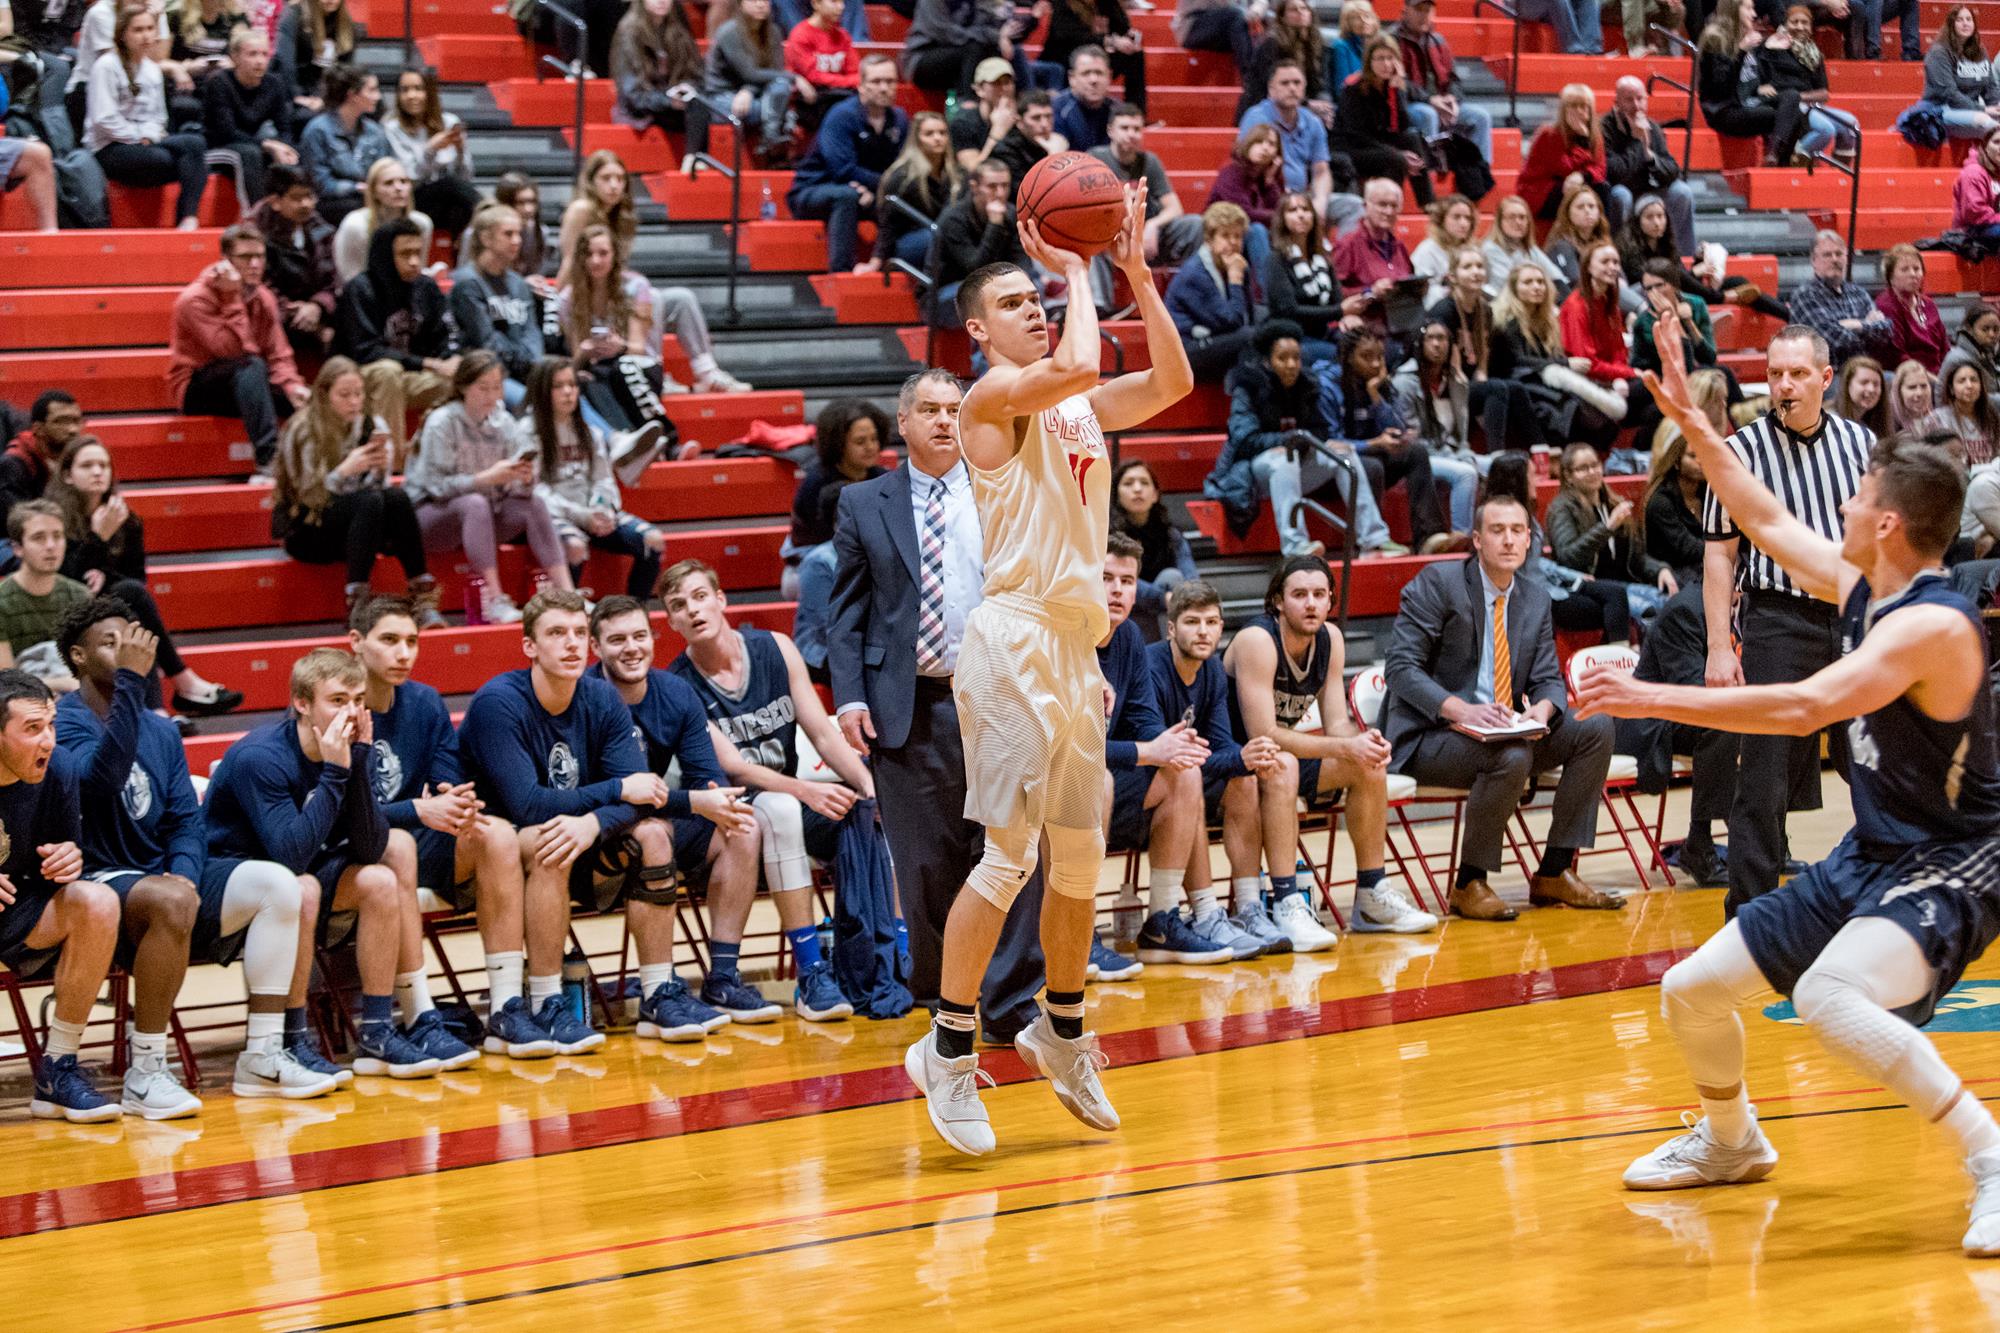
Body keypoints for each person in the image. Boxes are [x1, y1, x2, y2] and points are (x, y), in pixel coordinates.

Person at [1581, 310, 2000, 1259]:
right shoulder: (1870, 587)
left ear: (1886, 520)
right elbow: (1762, 515)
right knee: (1691, 990)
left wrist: (1648, 690)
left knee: (1831, 994)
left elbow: (1803, 706)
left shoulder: (1930, 625)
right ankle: (1732, 1142)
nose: (1839, 507)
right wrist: (1693, 420)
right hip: (1877, 849)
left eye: (1855, 496)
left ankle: (1991, 1157)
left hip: (1956, 856)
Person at [904, 188, 1191, 1156]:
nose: (1034, 307)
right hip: (1013, 634)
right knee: (1008, 854)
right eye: (1016, 301)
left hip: (1073, 643)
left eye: (1040, 295)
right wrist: (1078, 268)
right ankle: (945, 1051)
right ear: (980, 331)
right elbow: (1075, 356)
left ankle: (1057, 1029)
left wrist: (1138, 277)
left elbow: (1172, 382)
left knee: (1078, 857)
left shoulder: (1072, 407)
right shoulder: (991, 398)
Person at [827, 368, 1053, 1034]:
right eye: (929, 409)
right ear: (903, 421)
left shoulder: (1004, 490)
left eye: (955, 409)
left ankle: (1012, 1004)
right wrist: (847, 699)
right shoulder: (862, 502)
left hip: (999, 696)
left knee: (1011, 853)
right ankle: (942, 1004)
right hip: (908, 704)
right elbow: (845, 615)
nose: (944, 421)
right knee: (926, 865)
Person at [54, 599, 333, 1103]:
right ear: (77, 656)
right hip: (95, 876)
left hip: (161, 878)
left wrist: (184, 871)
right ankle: (147, 1070)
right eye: (109, 644)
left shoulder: (161, 730)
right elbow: (101, 780)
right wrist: (134, 688)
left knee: (280, 885)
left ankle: (263, 1056)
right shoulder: (64, 722)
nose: (125, 653)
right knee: (169, 899)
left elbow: (186, 818)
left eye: (131, 642)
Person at [458, 589, 709, 1046]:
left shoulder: (601, 697)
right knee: (553, 837)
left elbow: (642, 794)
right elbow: (527, 805)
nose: (572, 644)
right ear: (529, 646)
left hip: (580, 834)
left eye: (578, 633)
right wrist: (611, 793)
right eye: (556, 633)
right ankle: (547, 1002)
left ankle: (657, 994)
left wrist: (593, 822)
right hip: (499, 848)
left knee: (653, 834)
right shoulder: (499, 701)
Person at [207, 648, 469, 1079]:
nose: (352, 712)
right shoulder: (261, 757)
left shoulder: (347, 751)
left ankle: (378, 1032)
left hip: (299, 872)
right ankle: (292, 1039)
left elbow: (368, 847)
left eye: (358, 700)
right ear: (302, 704)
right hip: (232, 880)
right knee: (302, 888)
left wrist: (357, 762)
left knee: (380, 880)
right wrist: (335, 772)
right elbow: (288, 857)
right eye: (338, 700)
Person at [349, 594, 580, 1056]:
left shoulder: (425, 702)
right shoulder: (337, 703)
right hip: (355, 849)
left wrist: (456, 798)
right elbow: (336, 810)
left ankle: (507, 1006)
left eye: (412, 641)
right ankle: (418, 1014)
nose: (403, 653)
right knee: (399, 844)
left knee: (494, 832)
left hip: (425, 841)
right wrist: (418, 810)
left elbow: (446, 777)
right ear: (356, 643)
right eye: (389, 641)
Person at [1382, 486, 1622, 922]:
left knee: (1595, 727)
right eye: (1497, 531)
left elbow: (1549, 678)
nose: (1509, 540)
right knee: (1511, 755)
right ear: (1477, 540)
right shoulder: (1439, 583)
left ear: (1531, 540)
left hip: (1506, 733)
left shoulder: (1534, 597)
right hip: (1431, 736)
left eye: (1518, 531)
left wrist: (1543, 710)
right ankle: (1469, 882)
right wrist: (1460, 709)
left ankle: (1554, 870)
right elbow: (1401, 668)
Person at [1700, 324, 1872, 916]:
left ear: (1825, 379)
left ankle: (1893, 885)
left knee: (1873, 762)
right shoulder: (1739, 452)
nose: (1784, 385)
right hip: (1776, 619)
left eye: (1798, 373)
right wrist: (1721, 647)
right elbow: (1720, 553)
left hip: (1852, 620)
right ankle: (1749, 914)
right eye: (1775, 374)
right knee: (1764, 780)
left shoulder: (1861, 444)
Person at [661, 560, 871, 1022]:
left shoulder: (776, 647)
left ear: (721, 600)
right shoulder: (678, 684)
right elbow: (734, 768)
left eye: (700, 596)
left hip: (792, 800)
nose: (693, 610)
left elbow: (821, 730)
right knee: (778, 807)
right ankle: (811, 973)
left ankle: (883, 957)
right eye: (679, 605)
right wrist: (805, 791)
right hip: (730, 813)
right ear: (672, 622)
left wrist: (868, 785)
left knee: (869, 816)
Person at [584, 596, 781, 1023]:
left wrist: (710, 801)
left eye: (639, 636)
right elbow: (622, 794)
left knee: (741, 823)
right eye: (616, 640)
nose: (631, 648)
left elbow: (708, 780)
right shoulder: (586, 695)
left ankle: (723, 978)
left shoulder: (674, 691)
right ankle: (659, 985)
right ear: (595, 648)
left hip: (655, 816)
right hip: (599, 825)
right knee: (654, 833)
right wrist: (693, 802)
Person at [1226, 554, 1437, 936]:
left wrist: (1361, 742)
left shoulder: (1330, 639)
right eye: (1299, 594)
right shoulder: (1257, 640)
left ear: (1330, 601)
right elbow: (1266, 736)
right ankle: (1287, 903)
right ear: (1278, 601)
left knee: (1368, 763)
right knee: (1283, 763)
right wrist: (1344, 748)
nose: (1310, 603)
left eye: (1319, 594)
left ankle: (1372, 895)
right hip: (1232, 761)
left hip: (1279, 762)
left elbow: (1336, 722)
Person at [0, 669, 127, 1121]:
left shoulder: (59, 769)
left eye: (51, 725)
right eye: (33, 729)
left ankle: (59, 1068)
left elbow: (54, 865)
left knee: (97, 900)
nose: (48, 740)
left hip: (16, 910)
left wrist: (68, 859)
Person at [46, 438, 243, 717]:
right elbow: (62, 576)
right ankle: (178, 687)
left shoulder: (126, 519)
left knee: (132, 602)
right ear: (67, 475)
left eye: (103, 465)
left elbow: (136, 577)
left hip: (116, 607)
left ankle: (158, 709)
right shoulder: (55, 519)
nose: (98, 472)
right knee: (130, 599)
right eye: (87, 465)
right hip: (69, 610)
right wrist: (97, 539)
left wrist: (103, 571)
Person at [1140, 579, 1282, 960]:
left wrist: (1250, 757)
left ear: (1221, 628)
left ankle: (1249, 907)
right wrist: (1238, 757)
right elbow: (1166, 751)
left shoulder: (1213, 671)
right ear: (1171, 628)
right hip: (1144, 781)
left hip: (1183, 776)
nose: (1203, 631)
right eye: (1191, 622)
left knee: (1244, 780)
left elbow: (1221, 746)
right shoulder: (1151, 666)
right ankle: (1205, 913)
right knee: (1196, 775)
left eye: (1211, 622)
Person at [1096, 535, 1211, 963]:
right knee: (1098, 780)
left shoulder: (1127, 637)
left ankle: (1162, 921)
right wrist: (1149, 751)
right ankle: (1076, 932)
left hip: (1108, 777)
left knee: (1185, 770)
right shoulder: (1066, 637)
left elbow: (1145, 721)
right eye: (1106, 578)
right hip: (1051, 784)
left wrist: (1172, 743)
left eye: (1127, 580)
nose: (1117, 590)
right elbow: (1072, 751)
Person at [1210, 317, 1399, 557]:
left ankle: (1374, 539)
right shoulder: (1248, 388)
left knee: (1343, 452)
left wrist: (1299, 443)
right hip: (1253, 473)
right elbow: (1244, 441)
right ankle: (1296, 546)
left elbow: (1319, 431)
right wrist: (1286, 441)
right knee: (1284, 461)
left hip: (1295, 463)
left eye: (1296, 358)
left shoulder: (1307, 385)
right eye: (1283, 358)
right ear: (1268, 361)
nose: (1291, 365)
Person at [407, 351, 574, 622]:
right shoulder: (442, 422)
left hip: (484, 514)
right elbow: (434, 487)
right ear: (463, 388)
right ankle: (495, 600)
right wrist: (484, 479)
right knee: (475, 502)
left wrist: (523, 477)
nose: (492, 395)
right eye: (483, 388)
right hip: (431, 517)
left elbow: (514, 488)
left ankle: (569, 594)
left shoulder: (504, 421)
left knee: (534, 504)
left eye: (497, 387)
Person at [272, 358, 442, 621]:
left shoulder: (372, 425)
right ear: (324, 395)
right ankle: (358, 602)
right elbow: (306, 498)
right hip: (307, 527)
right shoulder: (303, 428)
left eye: (358, 394)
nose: (353, 402)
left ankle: (422, 595)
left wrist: (377, 469)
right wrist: (344, 470)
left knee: (395, 496)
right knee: (369, 502)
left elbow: (377, 493)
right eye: (344, 395)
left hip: (357, 526)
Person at [521, 357, 667, 603]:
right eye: (559, 386)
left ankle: (635, 614)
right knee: (575, 546)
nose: (568, 392)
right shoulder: (527, 431)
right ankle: (569, 616)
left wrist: (601, 507)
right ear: (542, 390)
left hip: (592, 511)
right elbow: (535, 491)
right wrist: (581, 515)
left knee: (653, 541)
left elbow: (603, 479)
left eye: (572, 384)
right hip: (555, 516)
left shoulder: (590, 431)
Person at [169, 224, 310, 469]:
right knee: (251, 366)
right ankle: (268, 459)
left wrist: (291, 385)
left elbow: (278, 352)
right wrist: (231, 298)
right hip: (199, 386)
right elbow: (233, 351)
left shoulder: (263, 297)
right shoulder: (194, 300)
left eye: (260, 256)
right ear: (226, 261)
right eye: (246, 257)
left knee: (312, 399)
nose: (255, 264)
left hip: (248, 382)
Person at [333, 218, 458, 457]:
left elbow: (443, 337)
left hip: (409, 378)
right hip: (362, 382)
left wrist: (452, 360)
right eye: (405, 254)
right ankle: (393, 461)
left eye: (418, 253)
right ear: (385, 255)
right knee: (387, 371)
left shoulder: (426, 288)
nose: (414, 261)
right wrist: (426, 363)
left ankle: (440, 458)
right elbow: (366, 351)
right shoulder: (360, 289)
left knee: (463, 379)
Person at [87, 3, 207, 230]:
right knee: (175, 161)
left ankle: (188, 219)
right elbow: (103, 119)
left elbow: (158, 118)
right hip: (110, 147)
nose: (146, 35)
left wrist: (148, 136)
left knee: (194, 143)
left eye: (150, 29)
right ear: (123, 35)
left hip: (147, 142)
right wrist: (138, 136)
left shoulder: (152, 69)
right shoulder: (106, 66)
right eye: (138, 30)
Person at [786, 54, 906, 274]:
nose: (884, 88)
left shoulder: (899, 119)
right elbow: (842, 170)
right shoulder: (841, 116)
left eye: (889, 82)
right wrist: (883, 186)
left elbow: (902, 168)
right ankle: (841, 272)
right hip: (813, 189)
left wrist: (879, 189)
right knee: (847, 195)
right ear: (861, 85)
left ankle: (895, 267)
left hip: (867, 191)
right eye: (876, 82)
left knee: (903, 200)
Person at [1430, 245, 1548, 458]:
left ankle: (1542, 452)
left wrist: (1482, 373)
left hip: (1471, 382)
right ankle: (1497, 456)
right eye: (1467, 267)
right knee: (1497, 388)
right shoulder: (1444, 310)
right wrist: (1477, 384)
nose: (1475, 271)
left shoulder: (1485, 309)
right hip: (1447, 386)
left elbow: (1484, 350)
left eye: (1479, 266)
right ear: (1453, 276)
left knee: (1516, 388)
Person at [1547, 441, 1678, 633]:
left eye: (1595, 465)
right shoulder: (1562, 508)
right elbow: (1568, 557)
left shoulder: (1613, 503)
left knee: (1672, 603)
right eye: (1583, 468)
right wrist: (1607, 528)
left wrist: (1660, 570)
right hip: (1590, 589)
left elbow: (1637, 558)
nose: (1592, 471)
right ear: (1568, 476)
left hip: (1624, 583)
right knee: (1648, 610)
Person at [1492, 260, 1628, 445]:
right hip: (1523, 385)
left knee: (1602, 419)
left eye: (1540, 282)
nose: (1537, 287)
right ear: (1514, 289)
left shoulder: (1546, 321)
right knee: (1574, 412)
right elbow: (1516, 361)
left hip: (1545, 383)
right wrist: (1565, 364)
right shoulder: (1506, 322)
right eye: (1528, 282)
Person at [1337, 330, 1448, 553]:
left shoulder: (1380, 384)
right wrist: (1372, 444)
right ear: (1349, 358)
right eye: (1366, 357)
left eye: (1380, 356)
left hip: (1375, 452)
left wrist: (1375, 395)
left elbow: (1398, 430)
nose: (1376, 363)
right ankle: (1373, 544)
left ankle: (1429, 538)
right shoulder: (1331, 385)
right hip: (1341, 465)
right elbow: (1330, 441)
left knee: (1416, 452)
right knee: (1372, 466)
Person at [1087, 103, 1204, 310]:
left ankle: (1194, 298)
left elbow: (1175, 208)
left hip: (1148, 237)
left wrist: (1153, 226)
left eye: (1136, 129)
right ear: (1110, 131)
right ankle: (1100, 307)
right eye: (1124, 128)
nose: (1131, 134)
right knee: (1088, 236)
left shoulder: (1149, 161)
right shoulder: (1096, 158)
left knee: (1196, 225)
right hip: (1111, 236)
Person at [1394, 318, 1486, 533]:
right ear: (1419, 343)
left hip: (1451, 452)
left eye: (1442, 338)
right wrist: (1456, 457)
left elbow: (1460, 435)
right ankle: (1461, 537)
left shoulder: (1456, 380)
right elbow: (1410, 439)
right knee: (1466, 474)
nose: (1437, 344)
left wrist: (1464, 453)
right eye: (1431, 338)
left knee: (1504, 464)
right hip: (1422, 458)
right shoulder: (1403, 383)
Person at [450, 204, 545, 411]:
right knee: (530, 403)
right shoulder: (467, 283)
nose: (517, 241)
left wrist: (535, 364)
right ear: (485, 239)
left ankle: (611, 437)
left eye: (519, 234)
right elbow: (485, 341)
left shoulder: (519, 283)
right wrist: (525, 361)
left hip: (523, 367)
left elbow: (531, 332)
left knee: (562, 388)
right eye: (508, 234)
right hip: (487, 373)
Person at [1329, 36, 1434, 210]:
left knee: (1413, 139)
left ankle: (1428, 205)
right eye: (1380, 58)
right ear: (1369, 61)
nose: (1386, 64)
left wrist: (1398, 91)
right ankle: (1388, 207)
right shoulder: (1353, 88)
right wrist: (1397, 152)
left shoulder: (1391, 85)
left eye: (1390, 58)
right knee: (1396, 159)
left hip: (1376, 143)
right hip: (1350, 147)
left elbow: (1401, 126)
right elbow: (1356, 135)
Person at [1699, 0, 1807, 166]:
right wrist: (1742, 50)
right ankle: (1778, 164)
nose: (1754, 14)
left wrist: (1769, 48)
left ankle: (1773, 155)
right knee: (1791, 117)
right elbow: (1720, 86)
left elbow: (1754, 76)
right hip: (1724, 110)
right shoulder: (1715, 37)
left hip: (1747, 101)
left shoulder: (1745, 36)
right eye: (1748, 8)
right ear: (1734, 9)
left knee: (1792, 97)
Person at [252, 164, 340, 363]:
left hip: (315, 310)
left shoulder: (322, 230)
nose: (306, 204)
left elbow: (333, 280)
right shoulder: (254, 234)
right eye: (297, 198)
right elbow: (259, 286)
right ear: (275, 201)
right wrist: (296, 312)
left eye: (310, 196)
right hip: (278, 315)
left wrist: (317, 306)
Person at [380, 65, 478, 243]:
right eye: (405, 90)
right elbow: (410, 177)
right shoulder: (392, 128)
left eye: (418, 89)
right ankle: (488, 215)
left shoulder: (450, 122)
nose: (411, 96)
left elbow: (466, 178)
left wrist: (460, 151)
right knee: (449, 185)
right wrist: (430, 150)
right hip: (412, 198)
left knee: (458, 207)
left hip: (448, 200)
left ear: (430, 93)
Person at [927, 159, 1029, 324]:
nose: (1000, 193)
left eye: (1005, 186)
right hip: (944, 295)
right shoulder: (953, 219)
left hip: (994, 287)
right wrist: (994, 225)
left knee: (1032, 285)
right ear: (974, 187)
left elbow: (1021, 261)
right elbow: (974, 269)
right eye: (992, 186)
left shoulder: (1010, 214)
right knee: (988, 297)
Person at [201, 26, 296, 206]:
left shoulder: (273, 83)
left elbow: (284, 127)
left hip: (253, 143)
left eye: (264, 54)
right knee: (250, 154)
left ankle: (292, 216)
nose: (260, 61)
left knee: (294, 153)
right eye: (252, 54)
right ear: (235, 57)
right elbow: (226, 132)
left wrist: (286, 148)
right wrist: (268, 145)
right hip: (218, 146)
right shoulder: (219, 82)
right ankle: (256, 216)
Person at [0, 501, 90, 688]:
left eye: (57, 536)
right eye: (38, 538)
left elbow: (91, 666)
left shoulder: (80, 596)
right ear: (17, 548)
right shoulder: (2, 601)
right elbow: (6, 682)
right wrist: (61, 684)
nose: (51, 546)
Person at [1391, 0, 1493, 163]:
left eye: (1428, 11)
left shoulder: (1438, 41)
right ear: (1406, 11)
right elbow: (1398, 81)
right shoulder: (1392, 40)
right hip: (1409, 104)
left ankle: (1479, 177)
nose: (1424, 16)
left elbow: (1454, 79)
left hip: (1442, 103)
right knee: (1428, 114)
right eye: (1419, 10)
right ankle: (1431, 170)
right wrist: (1430, 100)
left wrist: (1451, 99)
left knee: (1481, 116)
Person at [610, 0, 710, 165]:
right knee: (696, 106)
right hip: (642, 107)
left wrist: (687, 87)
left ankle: (694, 160)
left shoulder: (677, 28)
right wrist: (668, 100)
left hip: (673, 101)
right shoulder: (628, 32)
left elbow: (696, 74)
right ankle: (694, 162)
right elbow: (633, 95)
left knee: (698, 100)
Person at [1165, 201, 1257, 383]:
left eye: (1238, 236)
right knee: (1249, 337)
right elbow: (1232, 321)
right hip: (1185, 350)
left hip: (1214, 339)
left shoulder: (1234, 265)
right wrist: (1236, 279)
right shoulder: (1195, 275)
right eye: (1225, 236)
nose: (1233, 243)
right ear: (1209, 239)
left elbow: (1248, 315)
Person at [1239, 60, 1337, 228]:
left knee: (1351, 206)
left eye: (1297, 83)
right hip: (1268, 197)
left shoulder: (1313, 122)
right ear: (1271, 89)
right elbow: (1246, 167)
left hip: (1304, 196)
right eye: (1285, 83)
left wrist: (1320, 201)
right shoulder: (1256, 118)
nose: (1292, 88)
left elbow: (1321, 171)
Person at [1603, 77, 1696, 245]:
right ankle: (1623, 256)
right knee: (1620, 195)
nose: (1636, 106)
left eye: (1640, 99)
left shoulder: (1652, 127)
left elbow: (1672, 171)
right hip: (1619, 191)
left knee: (1682, 192)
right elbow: (1614, 173)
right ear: (1617, 103)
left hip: (1648, 191)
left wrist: (1648, 154)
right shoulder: (1604, 127)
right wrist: (1637, 141)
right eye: (1629, 100)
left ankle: (1679, 257)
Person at [1262, 190, 1349, 364]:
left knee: (1360, 345)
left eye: (1305, 209)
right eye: (1293, 210)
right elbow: (1289, 311)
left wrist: (1348, 314)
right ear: (1282, 219)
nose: (1301, 214)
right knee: (1341, 356)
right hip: (1293, 338)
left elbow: (1338, 301)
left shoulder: (1323, 257)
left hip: (1323, 333)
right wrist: (1341, 311)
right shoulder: (1276, 259)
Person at [703, 0, 795, 162]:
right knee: (774, 109)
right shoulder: (729, 32)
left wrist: (748, 90)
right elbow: (749, 73)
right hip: (720, 95)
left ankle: (771, 137)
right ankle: (773, 135)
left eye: (765, 1)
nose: (760, 5)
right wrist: (794, 77)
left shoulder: (773, 31)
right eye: (754, 0)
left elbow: (775, 72)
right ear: (741, 4)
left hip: (755, 92)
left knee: (781, 86)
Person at [1766, 5, 1861, 161]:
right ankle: (1793, 159)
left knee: (1850, 123)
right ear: (1785, 24)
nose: (1799, 27)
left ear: (1810, 28)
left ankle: (1839, 175)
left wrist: (1800, 96)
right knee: (1825, 129)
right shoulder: (1775, 49)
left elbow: (1823, 94)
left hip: (1808, 105)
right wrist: (1795, 98)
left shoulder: (1814, 54)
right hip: (1784, 106)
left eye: (1804, 23)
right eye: (1794, 22)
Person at [1109, 458, 1195, 626]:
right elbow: (1118, 579)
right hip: (1122, 603)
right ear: (1117, 495)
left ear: (1155, 495)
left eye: (1144, 483)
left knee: (1173, 577)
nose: (1137, 489)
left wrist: (1184, 597)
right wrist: (1162, 598)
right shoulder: (1108, 535)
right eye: (1128, 483)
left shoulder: (1170, 533)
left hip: (1164, 606)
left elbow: (1191, 576)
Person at [1788, 229, 1891, 370]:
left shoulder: (1858, 293)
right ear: (1814, 261)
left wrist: (1854, 325)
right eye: (1827, 255)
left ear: (1846, 258)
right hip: (1827, 377)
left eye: (1839, 254)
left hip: (1864, 373)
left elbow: (1887, 333)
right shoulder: (1805, 295)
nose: (1834, 259)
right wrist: (1867, 324)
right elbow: (1833, 340)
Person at [297, 63, 386, 223]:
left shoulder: (375, 131)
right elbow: (319, 183)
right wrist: (356, 188)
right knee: (358, 209)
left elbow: (385, 168)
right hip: (332, 203)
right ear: (353, 95)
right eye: (372, 90)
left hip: (369, 198)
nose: (378, 97)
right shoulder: (318, 130)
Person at [1332, 178, 1417, 345]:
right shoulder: (1349, 244)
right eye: (1382, 205)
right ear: (1365, 207)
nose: (1388, 211)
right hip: (1366, 324)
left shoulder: (1399, 246)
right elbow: (1333, 293)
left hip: (1401, 321)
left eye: (1394, 206)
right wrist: (1371, 292)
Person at [875, 110, 962, 272]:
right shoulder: (902, 177)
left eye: (942, 133)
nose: (938, 138)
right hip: (909, 242)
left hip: (940, 236)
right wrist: (877, 259)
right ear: (917, 139)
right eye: (929, 134)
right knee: (936, 237)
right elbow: (888, 224)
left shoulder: (956, 174)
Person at [1560, 242, 1638, 418]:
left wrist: (1620, 376)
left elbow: (1618, 349)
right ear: (1588, 267)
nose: (1612, 267)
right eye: (1605, 262)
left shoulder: (1610, 303)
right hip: (1586, 380)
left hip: (1610, 377)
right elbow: (1588, 363)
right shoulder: (1576, 306)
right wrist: (1628, 373)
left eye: (1615, 262)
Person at [332, 156, 435, 286]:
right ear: (373, 191)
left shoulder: (422, 223)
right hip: (364, 294)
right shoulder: (355, 224)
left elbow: (417, 270)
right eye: (388, 183)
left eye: (403, 181)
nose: (398, 188)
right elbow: (351, 278)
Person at [1521, 84, 1607, 227]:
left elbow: (1601, 168)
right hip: (1540, 190)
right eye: (1573, 106)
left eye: (1583, 106)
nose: (1579, 111)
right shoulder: (1548, 134)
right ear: (1563, 110)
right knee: (1576, 190)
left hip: (1570, 185)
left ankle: (1601, 237)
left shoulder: (1594, 135)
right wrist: (1583, 141)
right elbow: (1564, 168)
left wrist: (1583, 176)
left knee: (1602, 187)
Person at [1206, 124, 1285, 273]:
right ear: (1248, 144)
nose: (1265, 148)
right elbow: (1244, 214)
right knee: (1258, 230)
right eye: (1259, 142)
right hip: (1223, 230)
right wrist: (1280, 217)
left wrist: (1269, 184)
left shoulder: (1272, 177)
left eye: (1271, 144)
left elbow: (1279, 210)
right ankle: (1266, 293)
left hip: (1252, 233)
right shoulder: (1231, 172)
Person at [1045, 0, 1144, 117]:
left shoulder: (1107, 3)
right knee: (1082, 60)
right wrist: (1108, 41)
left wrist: (1129, 38)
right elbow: (1067, 36)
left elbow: (1122, 26)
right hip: (1065, 59)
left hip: (1100, 58)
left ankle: (1135, 114)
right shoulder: (1065, 4)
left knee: (1134, 55)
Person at [1917, 4, 2000, 139]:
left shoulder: (1980, 51)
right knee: (1987, 123)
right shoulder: (1939, 52)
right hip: (1942, 110)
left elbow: (1990, 87)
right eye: (1959, 20)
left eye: (1969, 19)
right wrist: (1983, 109)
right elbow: (1949, 94)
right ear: (1951, 24)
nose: (1965, 23)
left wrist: (1997, 106)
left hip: (1972, 109)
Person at [902, 0, 1008, 99]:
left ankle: (1012, 101)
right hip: (923, 57)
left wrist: (1002, 37)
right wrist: (994, 36)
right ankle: (968, 106)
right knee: (973, 49)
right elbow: (943, 32)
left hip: (961, 58)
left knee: (996, 52)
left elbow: (988, 25)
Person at [786, 0, 861, 133]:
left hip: (839, 95)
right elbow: (813, 76)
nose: (841, 7)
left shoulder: (842, 36)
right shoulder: (801, 35)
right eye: (834, 2)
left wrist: (850, 82)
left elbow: (855, 72)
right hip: (812, 100)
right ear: (816, 4)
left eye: (842, 2)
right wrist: (848, 81)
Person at [1875, 242, 1949, 375]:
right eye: (1905, 269)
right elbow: (1898, 356)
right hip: (1908, 377)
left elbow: (1945, 347)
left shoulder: (1929, 304)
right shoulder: (1886, 305)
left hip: (1939, 375)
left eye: (1916, 269)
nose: (1913, 274)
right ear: (1890, 276)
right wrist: (1933, 381)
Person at [274, 0, 355, 110]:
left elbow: (345, 69)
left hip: (327, 94)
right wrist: (298, 95)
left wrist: (326, 99)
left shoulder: (345, 23)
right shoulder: (294, 16)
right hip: (296, 91)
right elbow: (285, 64)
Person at [1480, 193, 1562, 299]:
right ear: (1500, 222)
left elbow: (1557, 277)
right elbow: (1509, 286)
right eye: (1511, 217)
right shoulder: (1490, 249)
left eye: (1522, 217)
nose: (1518, 222)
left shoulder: (1530, 249)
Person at [986, 89, 1062, 202]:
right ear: (1019, 122)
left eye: (1048, 116)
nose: (1044, 124)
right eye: (1036, 118)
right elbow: (1026, 196)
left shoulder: (1055, 142)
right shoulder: (1005, 151)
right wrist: (1053, 159)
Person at [1542, 181, 1613, 295]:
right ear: (1568, 213)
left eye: (1591, 206)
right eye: (1580, 207)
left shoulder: (1603, 241)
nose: (1587, 211)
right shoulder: (1560, 245)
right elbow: (1577, 282)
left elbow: (1620, 277)